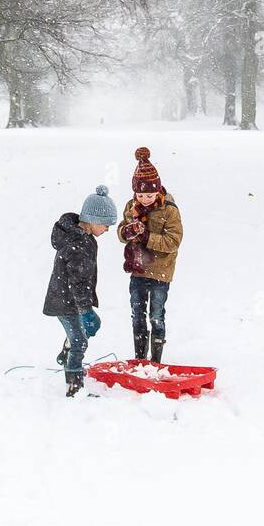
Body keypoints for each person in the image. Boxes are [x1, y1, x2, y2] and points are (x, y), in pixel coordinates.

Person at [42, 185, 118, 397]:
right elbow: (78, 282)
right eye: (105, 224)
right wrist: (86, 311)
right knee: (80, 342)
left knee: (85, 333)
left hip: (70, 299)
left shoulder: (83, 239)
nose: (107, 229)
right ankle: (74, 388)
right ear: (92, 220)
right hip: (65, 301)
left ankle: (67, 352)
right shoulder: (78, 244)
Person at [117, 146, 183, 363]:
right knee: (137, 314)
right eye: (141, 194)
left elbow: (173, 241)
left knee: (156, 315)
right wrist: (126, 231)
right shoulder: (131, 206)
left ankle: (156, 359)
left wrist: (146, 237)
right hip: (138, 271)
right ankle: (139, 357)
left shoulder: (169, 210)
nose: (145, 199)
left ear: (158, 190)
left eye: (150, 194)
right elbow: (121, 232)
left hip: (160, 274)